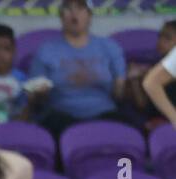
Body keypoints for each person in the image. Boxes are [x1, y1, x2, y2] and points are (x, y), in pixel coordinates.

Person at [27, 0, 127, 137]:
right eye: (68, 8)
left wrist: (124, 83)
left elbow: (119, 95)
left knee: (124, 128)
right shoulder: (46, 50)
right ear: (61, 16)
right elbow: (34, 100)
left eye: (80, 7)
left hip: (104, 112)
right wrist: (39, 94)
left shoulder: (109, 47)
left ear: (90, 15)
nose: (74, 13)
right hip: (61, 115)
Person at [140, 21, 176, 129]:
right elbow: (151, 83)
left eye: (167, 38)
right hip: (160, 121)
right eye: (160, 36)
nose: (160, 41)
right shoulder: (152, 67)